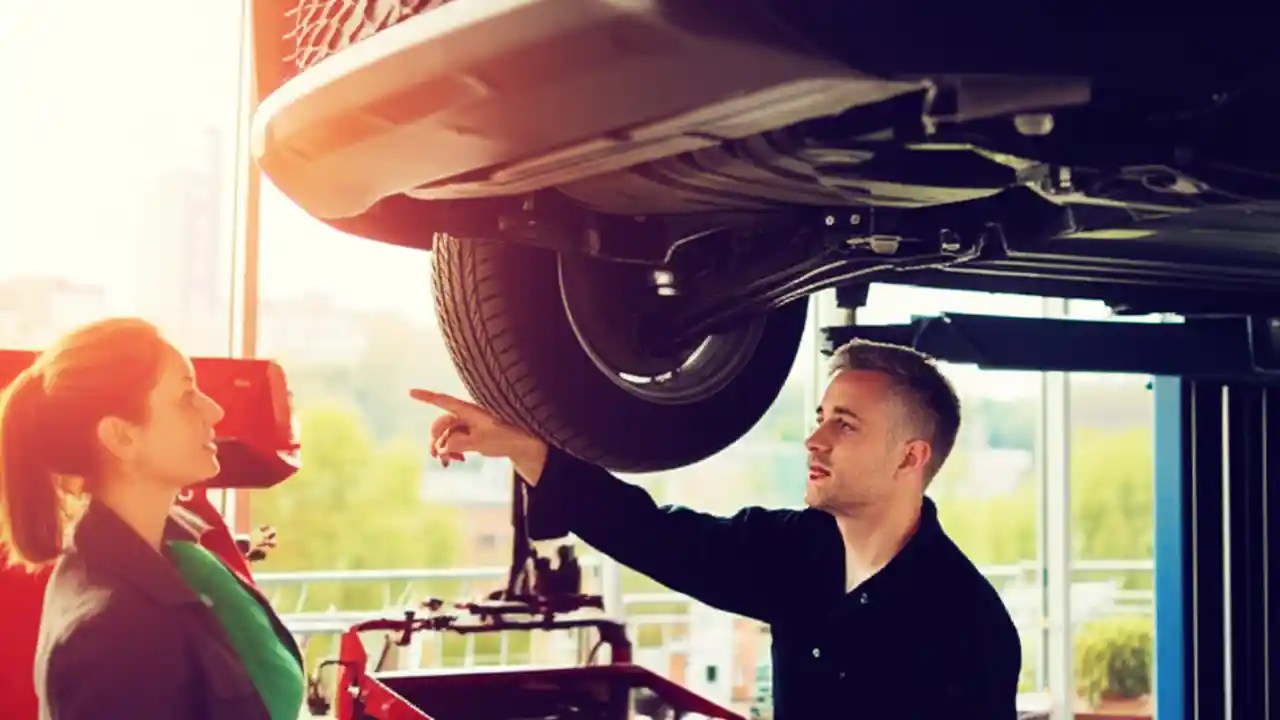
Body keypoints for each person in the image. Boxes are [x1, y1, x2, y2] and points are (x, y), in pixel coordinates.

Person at [413, 339, 1022, 719]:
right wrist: (524, 449)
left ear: (910, 458)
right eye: (819, 419)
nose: (815, 439)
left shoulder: (968, 621)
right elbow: (650, 533)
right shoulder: (795, 550)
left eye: (846, 425)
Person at [0, 318, 304, 720]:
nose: (214, 411)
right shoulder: (114, 633)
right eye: (185, 395)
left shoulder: (174, 556)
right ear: (121, 437)